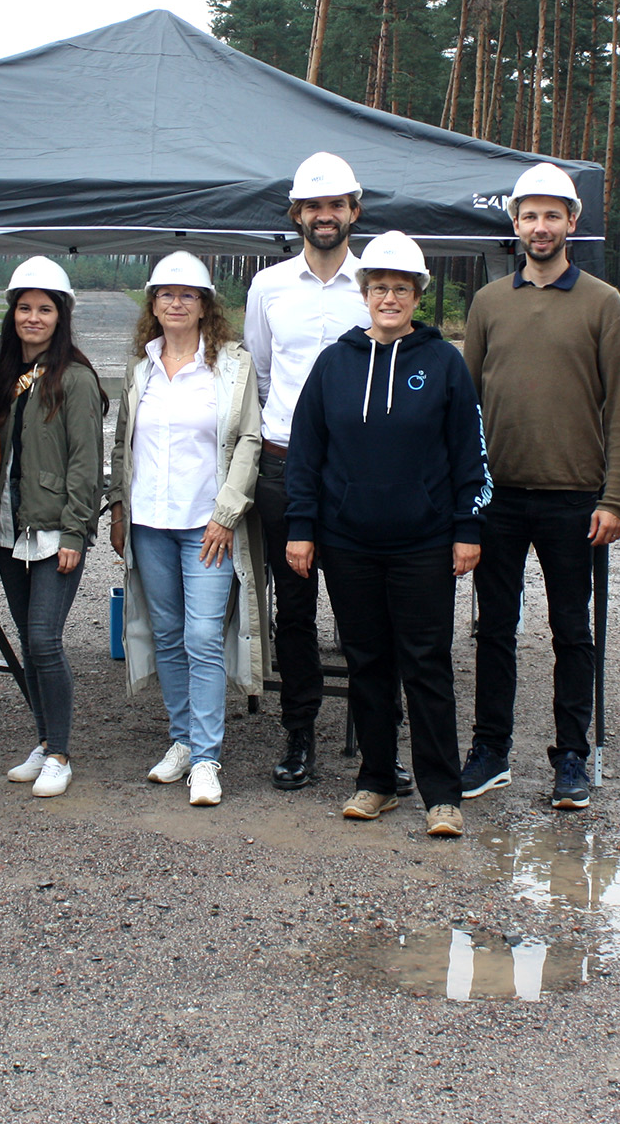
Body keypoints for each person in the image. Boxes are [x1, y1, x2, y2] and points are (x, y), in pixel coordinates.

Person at [282, 231, 489, 839]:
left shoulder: (444, 363)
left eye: (401, 288)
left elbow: (470, 453)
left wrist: (467, 526)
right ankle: (375, 780)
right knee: (367, 663)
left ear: (418, 295)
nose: (389, 298)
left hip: (425, 543)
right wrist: (302, 527)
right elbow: (306, 453)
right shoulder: (334, 363)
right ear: (365, 293)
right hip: (349, 543)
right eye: (379, 288)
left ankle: (442, 794)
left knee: (427, 666)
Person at [459, 161, 620, 811]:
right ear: (515, 223)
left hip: (575, 499)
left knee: (572, 632)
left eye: (552, 215)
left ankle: (571, 757)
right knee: (495, 631)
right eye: (530, 215)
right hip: (499, 499)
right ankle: (491, 751)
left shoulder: (602, 302)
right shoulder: (488, 303)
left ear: (572, 221)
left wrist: (616, 498)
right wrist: (464, 499)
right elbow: (464, 406)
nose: (541, 226)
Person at [109, 251, 265, 809]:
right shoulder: (141, 368)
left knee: (202, 636)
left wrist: (227, 512)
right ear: (153, 305)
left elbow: (249, 440)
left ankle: (205, 758)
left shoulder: (232, 366)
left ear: (204, 306)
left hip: (208, 527)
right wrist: (119, 509)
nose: (176, 303)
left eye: (188, 295)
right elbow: (123, 442)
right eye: (166, 294)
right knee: (169, 634)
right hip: (150, 524)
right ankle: (182, 739)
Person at [241, 151, 372, 791]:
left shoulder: (374, 284)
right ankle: (299, 735)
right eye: (313, 206)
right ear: (297, 214)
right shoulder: (268, 287)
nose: (325, 215)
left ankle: (376, 740)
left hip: (356, 471)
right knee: (292, 610)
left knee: (363, 606)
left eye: (335, 205)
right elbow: (262, 373)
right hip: (285, 465)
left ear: (353, 211)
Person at [0, 256, 106, 799]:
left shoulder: (75, 379)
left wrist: (77, 531)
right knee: (28, 644)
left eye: (45, 309)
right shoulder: (9, 379)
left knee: (44, 638)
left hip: (55, 532)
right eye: (25, 308)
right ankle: (42, 740)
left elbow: (86, 462)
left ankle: (59, 752)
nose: (33, 318)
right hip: (10, 530)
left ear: (61, 317)